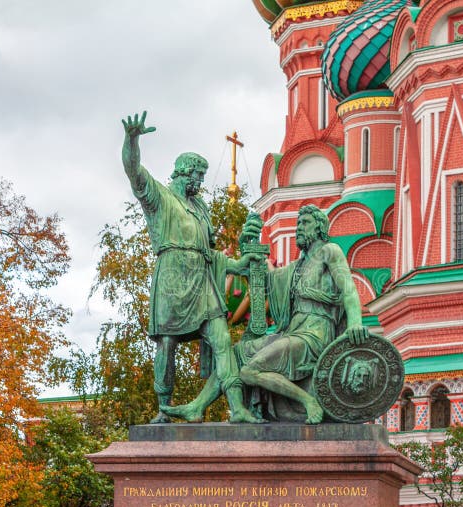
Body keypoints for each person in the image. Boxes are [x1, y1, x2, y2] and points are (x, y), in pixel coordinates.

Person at [164, 205, 368, 424]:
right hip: (293, 332)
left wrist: (355, 323)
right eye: (298, 223)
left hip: (314, 336)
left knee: (250, 371)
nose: (299, 227)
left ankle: (309, 402)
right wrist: (248, 248)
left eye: (305, 223)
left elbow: (348, 290)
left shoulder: (330, 251)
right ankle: (197, 407)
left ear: (319, 228)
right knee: (235, 354)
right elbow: (266, 281)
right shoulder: (298, 266)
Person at [120, 111, 262, 424]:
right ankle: (163, 408)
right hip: (172, 277)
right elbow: (134, 172)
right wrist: (132, 139)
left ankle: (237, 408)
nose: (200, 182)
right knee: (167, 344)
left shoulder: (200, 208)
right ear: (184, 174)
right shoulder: (160, 197)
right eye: (197, 176)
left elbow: (211, 254)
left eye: (202, 176)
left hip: (202, 280)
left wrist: (239, 264)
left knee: (223, 340)